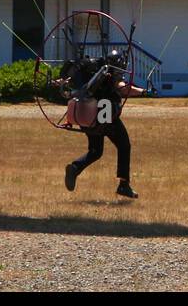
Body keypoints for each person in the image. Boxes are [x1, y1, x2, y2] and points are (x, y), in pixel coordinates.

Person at [59, 50, 145, 198]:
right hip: (104, 116)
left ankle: (74, 168)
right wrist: (143, 91)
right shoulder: (110, 73)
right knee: (124, 145)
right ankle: (123, 185)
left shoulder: (92, 71)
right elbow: (123, 88)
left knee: (95, 150)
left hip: (87, 116)